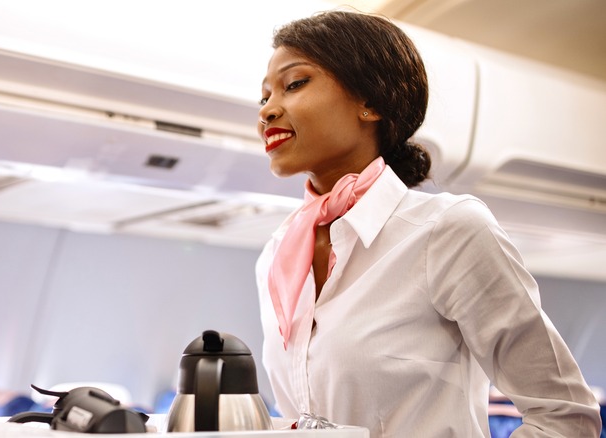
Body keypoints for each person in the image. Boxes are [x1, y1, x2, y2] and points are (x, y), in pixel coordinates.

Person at [254, 9, 602, 437]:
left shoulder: (448, 231)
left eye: (294, 84)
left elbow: (565, 417)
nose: (268, 110)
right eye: (264, 97)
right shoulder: (277, 255)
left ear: (371, 103)